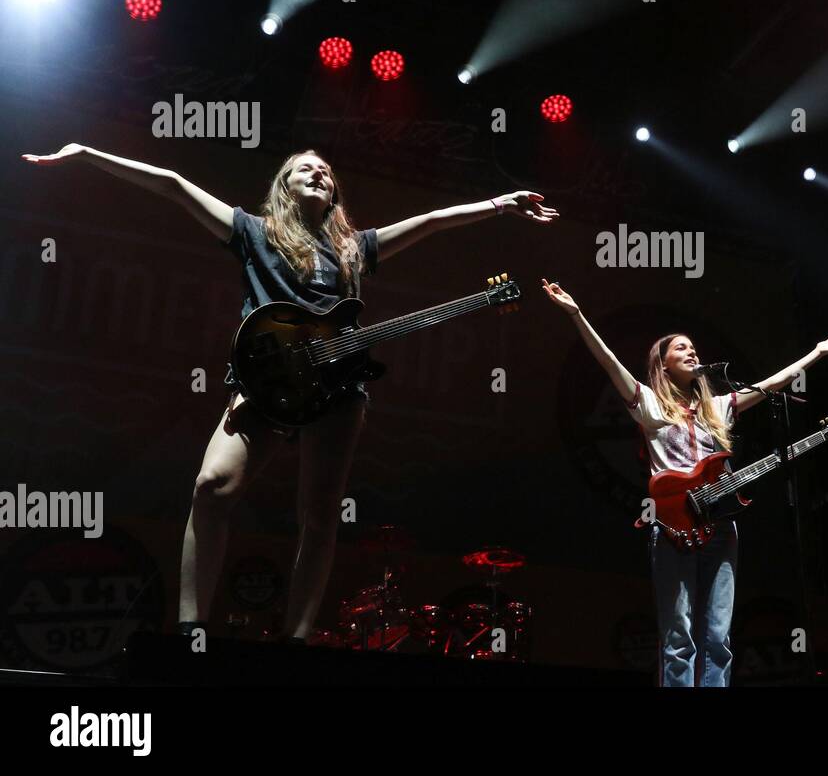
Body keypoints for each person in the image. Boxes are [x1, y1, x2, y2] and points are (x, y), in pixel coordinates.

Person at [22, 142, 558, 640]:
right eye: (306, 167)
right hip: (265, 384)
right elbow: (172, 183)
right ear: (284, 184)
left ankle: (297, 641)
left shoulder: (354, 249)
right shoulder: (253, 232)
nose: (319, 173)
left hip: (338, 389)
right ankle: (193, 633)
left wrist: (500, 203)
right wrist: (87, 154)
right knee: (212, 487)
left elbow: (431, 221)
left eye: (326, 171)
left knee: (320, 516)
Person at [540, 277, 828, 686]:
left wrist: (816, 353)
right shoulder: (648, 402)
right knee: (679, 635)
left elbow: (772, 384)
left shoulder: (719, 407)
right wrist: (576, 314)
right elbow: (607, 360)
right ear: (663, 362)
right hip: (674, 526)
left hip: (722, 527)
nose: (692, 351)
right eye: (681, 348)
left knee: (719, 636)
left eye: (693, 347)